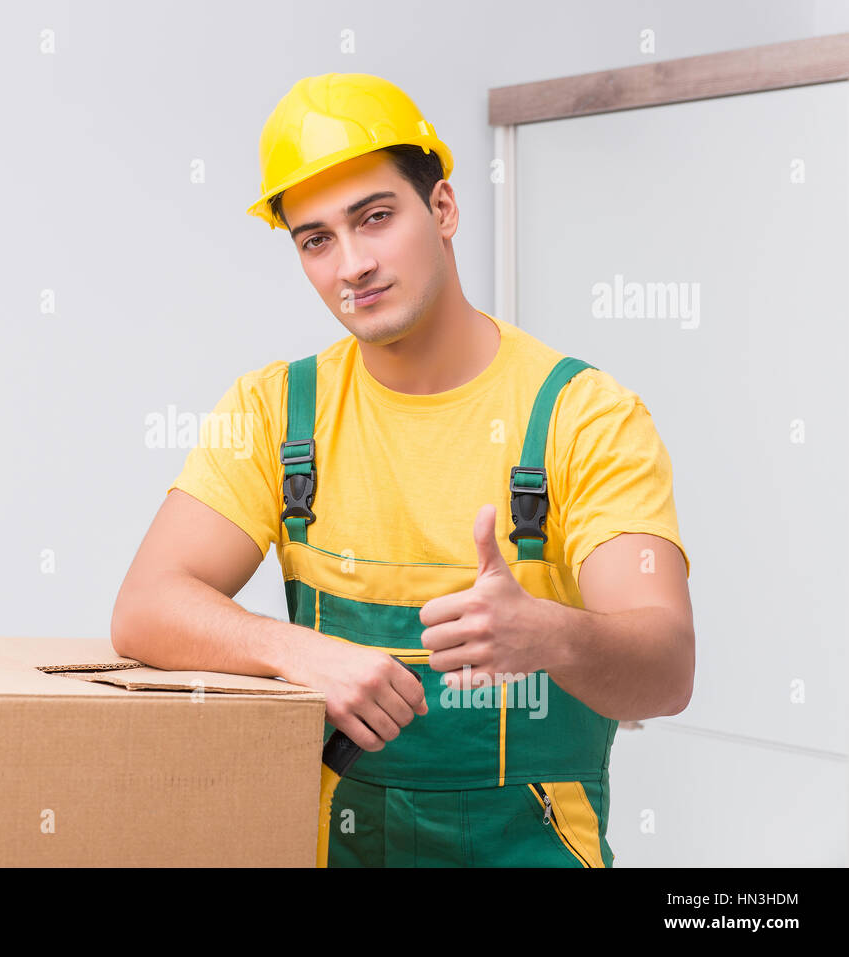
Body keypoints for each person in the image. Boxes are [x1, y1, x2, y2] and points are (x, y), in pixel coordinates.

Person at [110, 73, 694, 867]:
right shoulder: (278, 413)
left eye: (375, 218)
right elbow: (146, 605)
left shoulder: (582, 414)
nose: (352, 264)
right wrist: (297, 652)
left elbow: (665, 668)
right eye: (316, 239)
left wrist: (545, 631)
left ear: (444, 208)